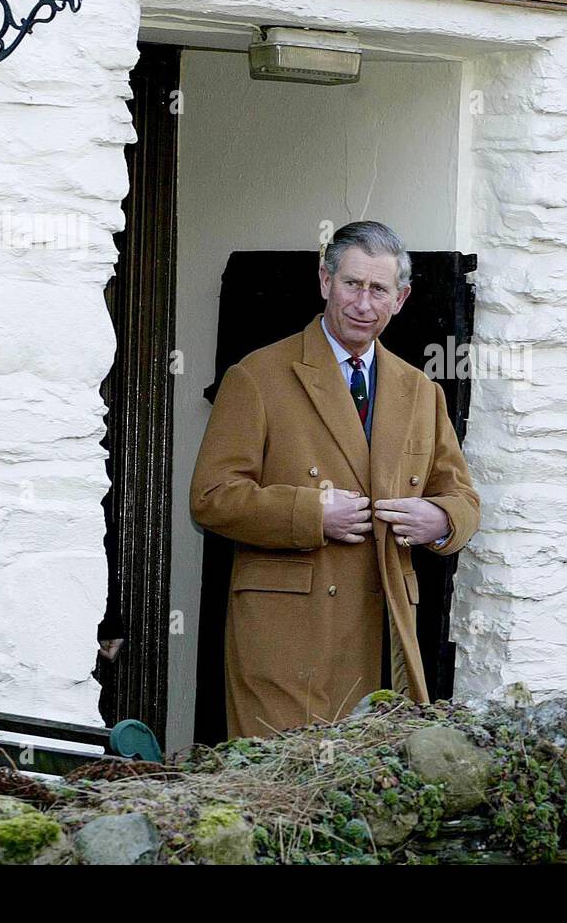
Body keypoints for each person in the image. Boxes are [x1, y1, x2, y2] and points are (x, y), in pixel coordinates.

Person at [189, 221, 480, 738]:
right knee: (281, 792)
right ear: (325, 281)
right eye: (352, 284)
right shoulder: (257, 376)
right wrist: (311, 513)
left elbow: (461, 498)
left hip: (382, 627)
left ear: (401, 298)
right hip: (288, 633)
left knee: (367, 800)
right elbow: (211, 498)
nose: (363, 304)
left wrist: (438, 518)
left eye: (378, 290)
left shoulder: (420, 391)